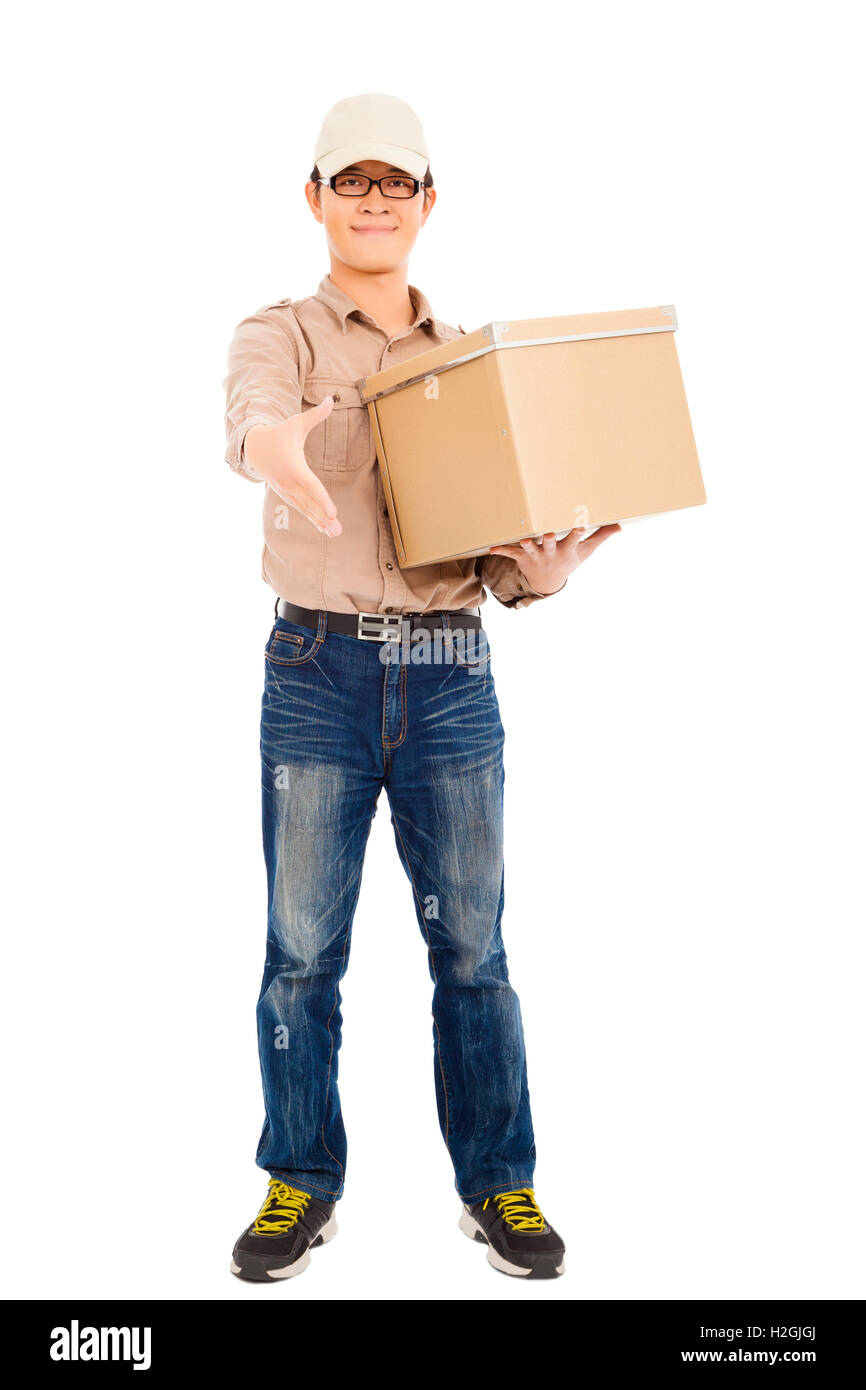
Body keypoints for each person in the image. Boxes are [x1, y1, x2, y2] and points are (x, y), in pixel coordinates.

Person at [222, 92, 620, 1283]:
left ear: (428, 202)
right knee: (301, 951)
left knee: (474, 951)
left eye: (397, 181)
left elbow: (498, 550)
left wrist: (532, 572)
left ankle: (497, 1184)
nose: (376, 200)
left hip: (449, 672)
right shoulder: (279, 333)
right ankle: (300, 1182)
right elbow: (250, 423)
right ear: (316, 199)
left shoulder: (470, 359)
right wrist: (275, 449)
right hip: (314, 670)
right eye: (353, 181)